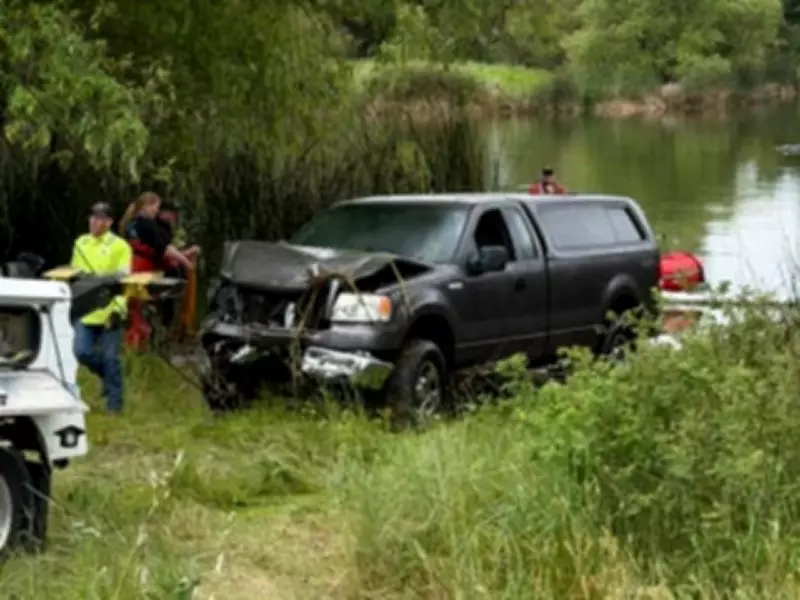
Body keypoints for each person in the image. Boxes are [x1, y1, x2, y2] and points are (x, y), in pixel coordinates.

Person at [70, 202, 132, 414]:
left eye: (100, 218)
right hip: (86, 310)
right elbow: (76, 274)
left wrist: (119, 310)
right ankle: (108, 378)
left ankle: (114, 406)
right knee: (81, 352)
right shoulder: (81, 243)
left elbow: (124, 281)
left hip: (109, 310)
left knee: (110, 358)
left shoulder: (120, 246)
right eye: (92, 217)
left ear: (109, 222)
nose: (94, 222)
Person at [118, 192, 194, 350]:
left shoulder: (132, 223)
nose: (157, 211)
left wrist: (182, 256)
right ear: (147, 206)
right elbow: (165, 248)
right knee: (140, 306)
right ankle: (139, 343)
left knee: (133, 306)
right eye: (156, 207)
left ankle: (133, 343)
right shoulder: (147, 224)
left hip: (130, 266)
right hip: (143, 268)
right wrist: (185, 261)